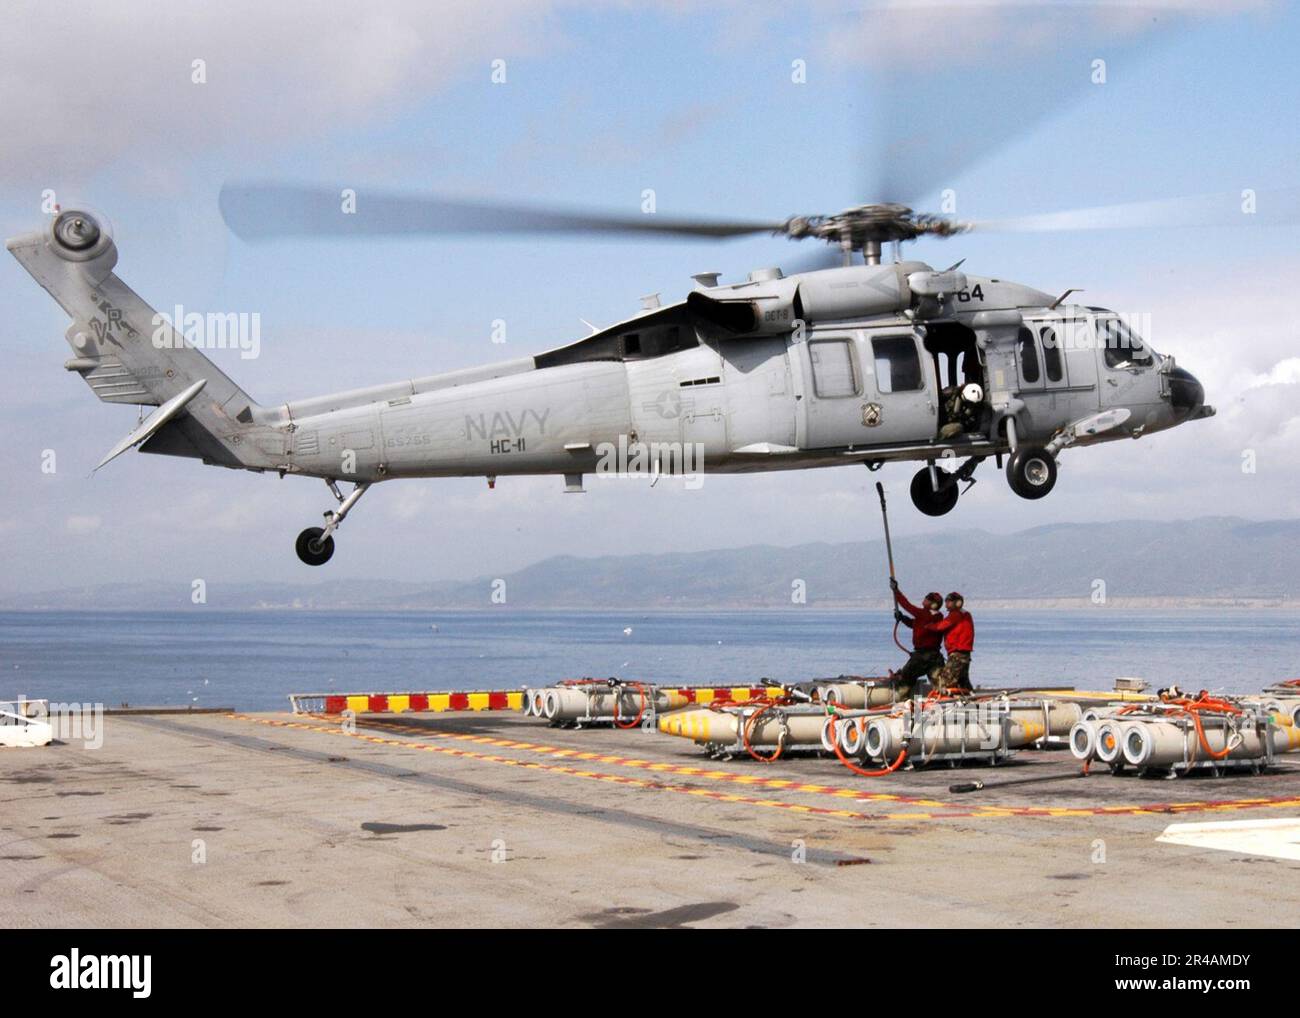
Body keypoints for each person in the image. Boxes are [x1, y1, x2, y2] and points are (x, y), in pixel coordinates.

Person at [889, 580, 945, 699]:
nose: (925, 599)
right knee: (939, 684)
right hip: (935, 657)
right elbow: (915, 624)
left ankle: (901, 701)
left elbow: (907, 605)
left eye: (928, 598)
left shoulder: (923, 614)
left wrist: (896, 591)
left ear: (933, 604)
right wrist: (903, 618)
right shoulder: (937, 616)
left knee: (906, 677)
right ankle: (944, 701)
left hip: (921, 656)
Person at [929, 592, 975, 692]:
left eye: (949, 601)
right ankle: (971, 697)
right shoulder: (964, 614)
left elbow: (940, 626)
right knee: (962, 682)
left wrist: (926, 626)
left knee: (944, 681)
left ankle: (941, 698)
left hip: (958, 654)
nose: (946, 604)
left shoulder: (956, 614)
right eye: (946, 601)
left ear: (957, 603)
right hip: (964, 654)